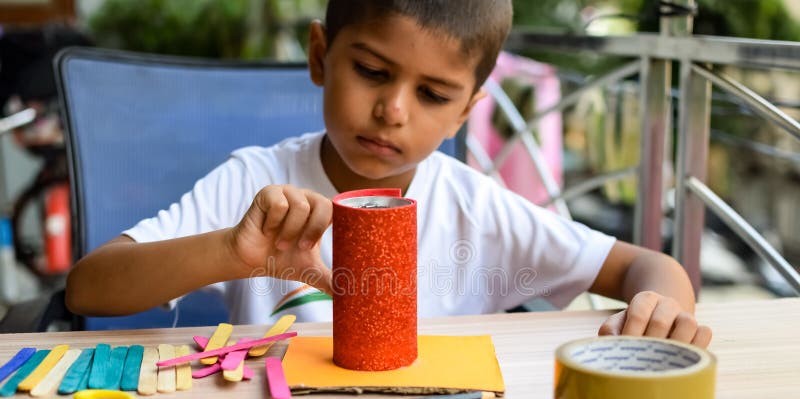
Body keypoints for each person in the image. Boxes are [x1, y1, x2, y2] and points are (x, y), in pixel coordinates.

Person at [65, 0, 711, 348]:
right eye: (372, 72)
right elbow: (88, 290)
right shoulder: (256, 184)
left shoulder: (475, 206)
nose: (392, 111)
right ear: (321, 55)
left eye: (432, 95)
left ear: (465, 111)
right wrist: (230, 251)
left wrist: (662, 309)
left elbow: (647, 269)